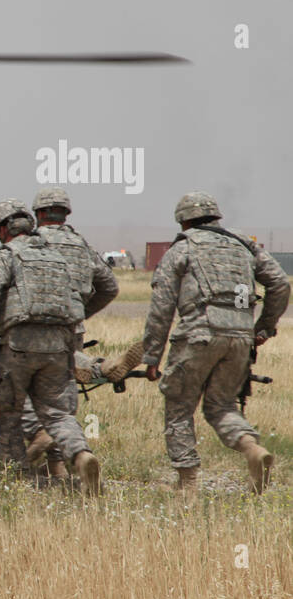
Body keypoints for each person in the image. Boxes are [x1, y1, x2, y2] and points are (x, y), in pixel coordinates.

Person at [139, 191, 289, 495]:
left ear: (184, 222)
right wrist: (263, 328)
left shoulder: (182, 248)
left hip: (198, 335)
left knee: (179, 407)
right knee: (222, 406)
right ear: (216, 216)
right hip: (240, 339)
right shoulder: (244, 244)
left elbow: (162, 305)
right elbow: (280, 283)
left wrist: (153, 355)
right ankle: (252, 449)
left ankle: (187, 483)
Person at [0, 199, 101, 495]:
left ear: (3, 229)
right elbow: (77, 301)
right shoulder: (56, 258)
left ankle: (14, 479)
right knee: (57, 413)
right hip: (59, 346)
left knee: (11, 411)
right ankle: (81, 456)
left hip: (19, 346)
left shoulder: (8, 255)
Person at [21, 188, 120, 482]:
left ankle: (41, 442)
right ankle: (62, 466)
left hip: (32, 331)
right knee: (60, 401)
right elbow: (110, 287)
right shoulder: (82, 246)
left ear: (38, 214)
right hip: (70, 330)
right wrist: (80, 313)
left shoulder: (29, 244)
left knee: (24, 391)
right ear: (66, 214)